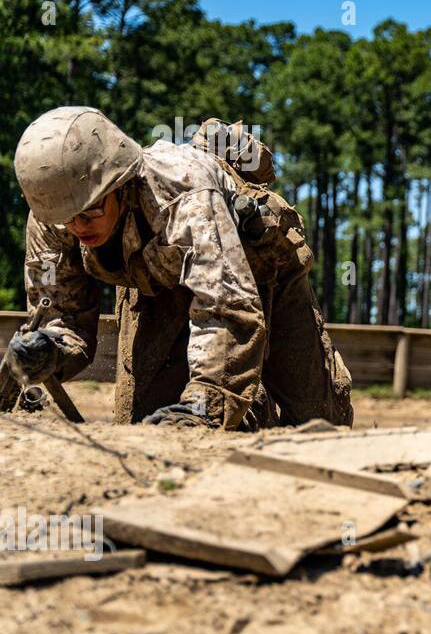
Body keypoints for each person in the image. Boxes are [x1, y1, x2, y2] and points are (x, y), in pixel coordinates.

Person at [5, 107, 353, 429]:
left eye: (90, 211)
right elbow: (60, 312)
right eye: (67, 218)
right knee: (148, 424)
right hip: (157, 283)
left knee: (317, 418)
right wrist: (48, 349)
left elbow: (227, 308)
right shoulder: (53, 212)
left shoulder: (183, 194)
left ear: (120, 185)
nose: (78, 226)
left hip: (261, 273)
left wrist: (204, 406)